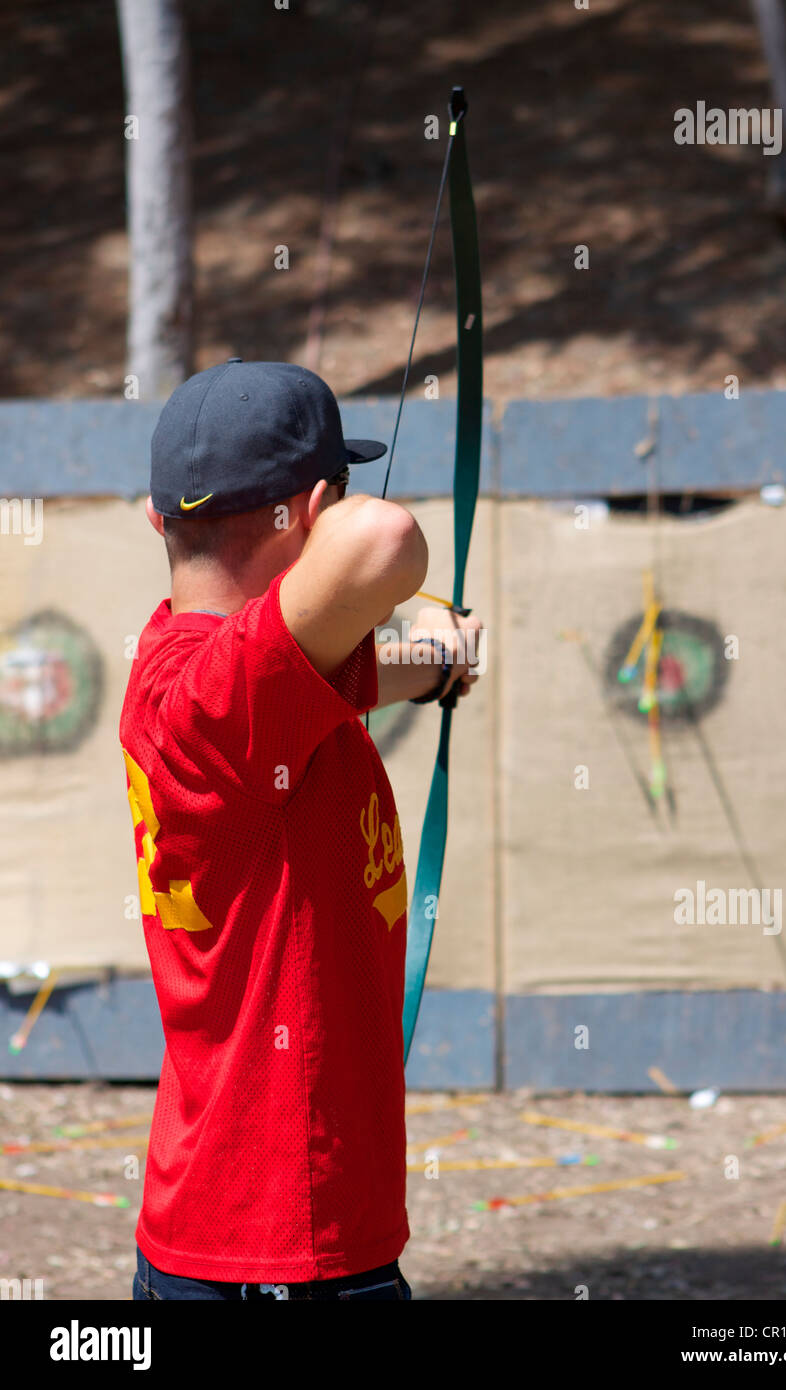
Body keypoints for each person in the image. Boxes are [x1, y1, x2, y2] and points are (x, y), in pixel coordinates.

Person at [120, 358, 482, 1301]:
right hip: (283, 1247)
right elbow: (384, 539)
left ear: (160, 519)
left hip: (229, 1227)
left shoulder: (193, 672)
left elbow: (339, 676)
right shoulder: (229, 696)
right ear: (313, 510)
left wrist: (433, 665)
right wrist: (344, 533)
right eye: (338, 493)